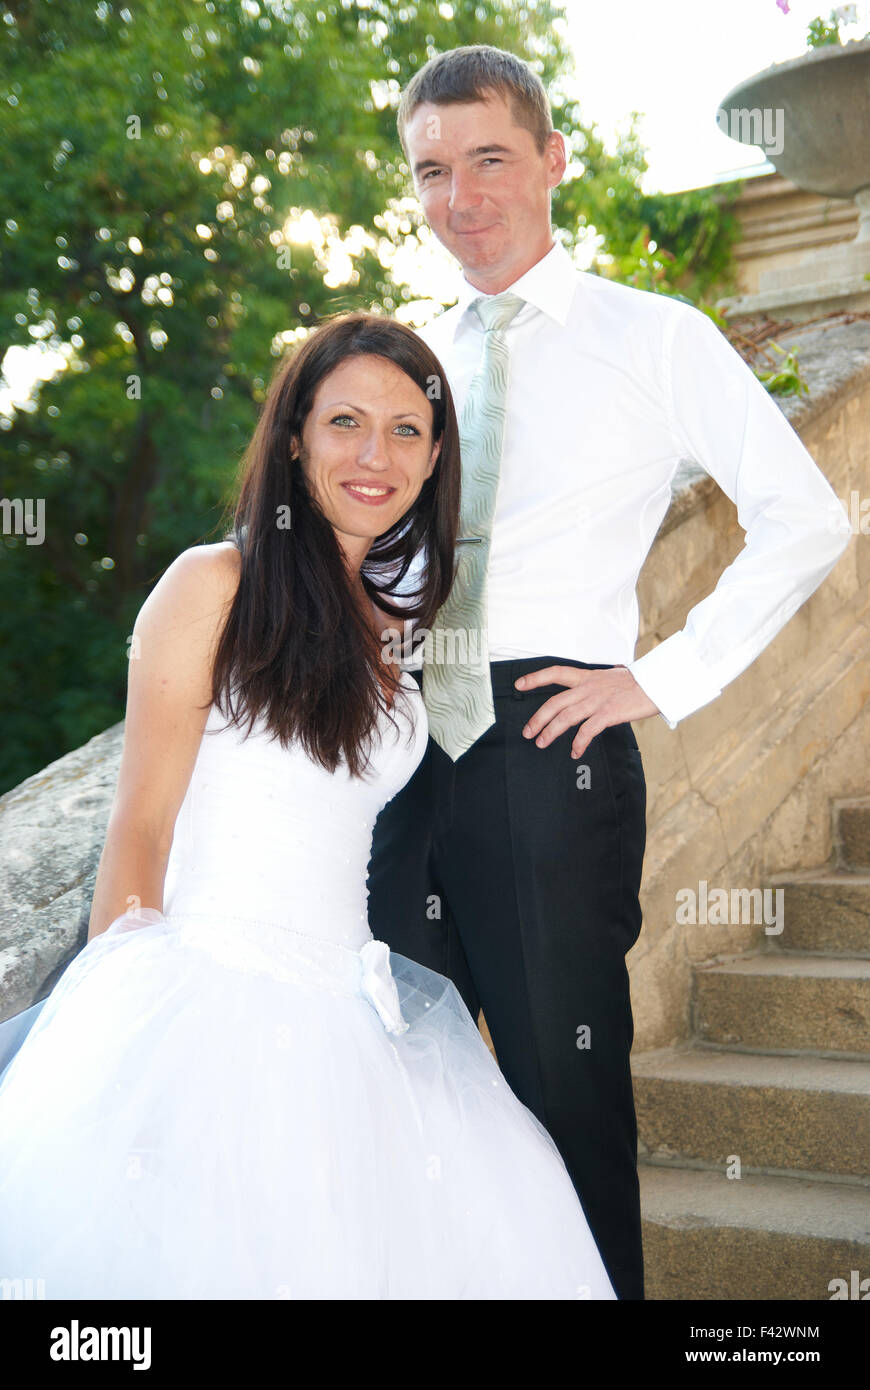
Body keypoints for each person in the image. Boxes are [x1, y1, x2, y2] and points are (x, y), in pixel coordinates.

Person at [366, 45, 853, 1302]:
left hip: (547, 739)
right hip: (392, 745)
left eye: (487, 160)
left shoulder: (656, 336)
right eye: (431, 171)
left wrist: (656, 676)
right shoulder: (407, 362)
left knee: (560, 1083)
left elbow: (807, 517)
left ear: (551, 161)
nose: (459, 196)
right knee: (388, 1076)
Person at [0, 312, 617, 1300]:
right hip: (210, 992)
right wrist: (122, 1034)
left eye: (406, 430)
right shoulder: (213, 583)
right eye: (344, 422)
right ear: (294, 437)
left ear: (433, 455)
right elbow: (142, 825)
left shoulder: (391, 615)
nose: (374, 455)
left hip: (351, 1009)